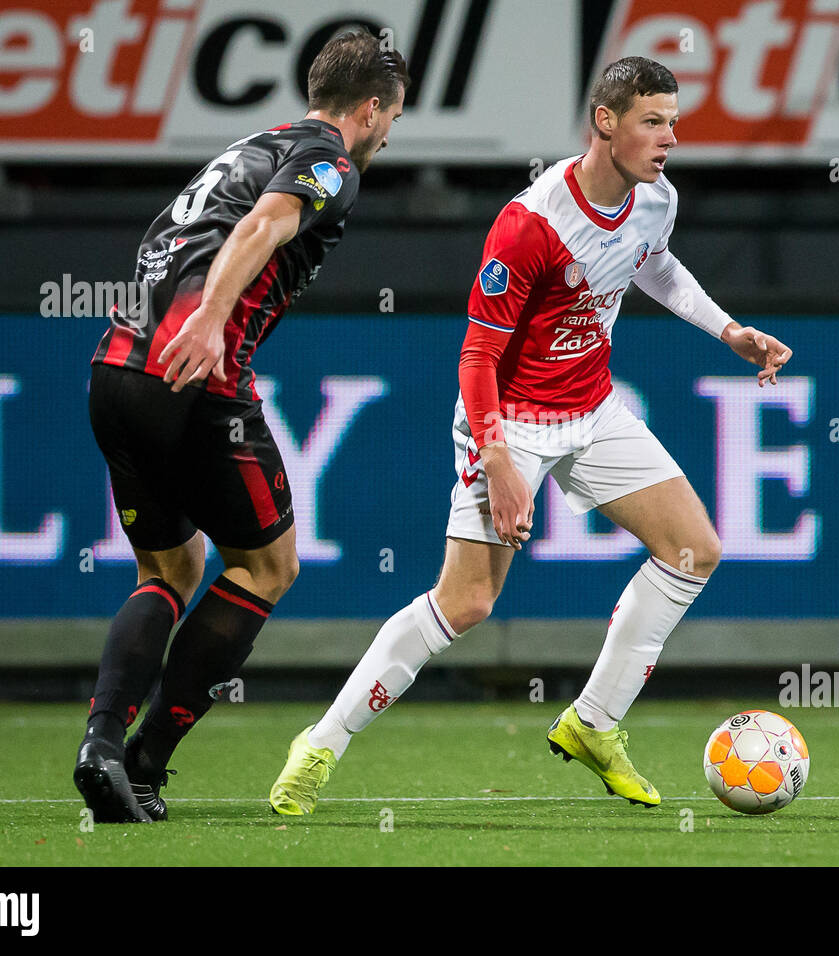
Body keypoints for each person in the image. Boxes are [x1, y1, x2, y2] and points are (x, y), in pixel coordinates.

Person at [269, 56, 791, 814]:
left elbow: (658, 266)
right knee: (467, 604)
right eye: (653, 121)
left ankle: (593, 723)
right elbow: (477, 355)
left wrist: (728, 330)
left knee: (693, 550)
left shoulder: (654, 197)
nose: (669, 137)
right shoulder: (531, 224)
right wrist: (499, 458)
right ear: (604, 124)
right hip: (509, 419)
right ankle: (319, 744)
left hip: (593, 408)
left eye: (673, 121)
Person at [75, 30, 408, 823]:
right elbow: (261, 229)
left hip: (115, 371)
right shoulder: (330, 160)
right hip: (198, 380)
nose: (391, 133)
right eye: (394, 117)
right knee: (266, 569)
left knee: (168, 572)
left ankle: (101, 747)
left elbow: (169, 243)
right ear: (370, 108)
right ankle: (147, 766)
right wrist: (212, 321)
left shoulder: (250, 145)